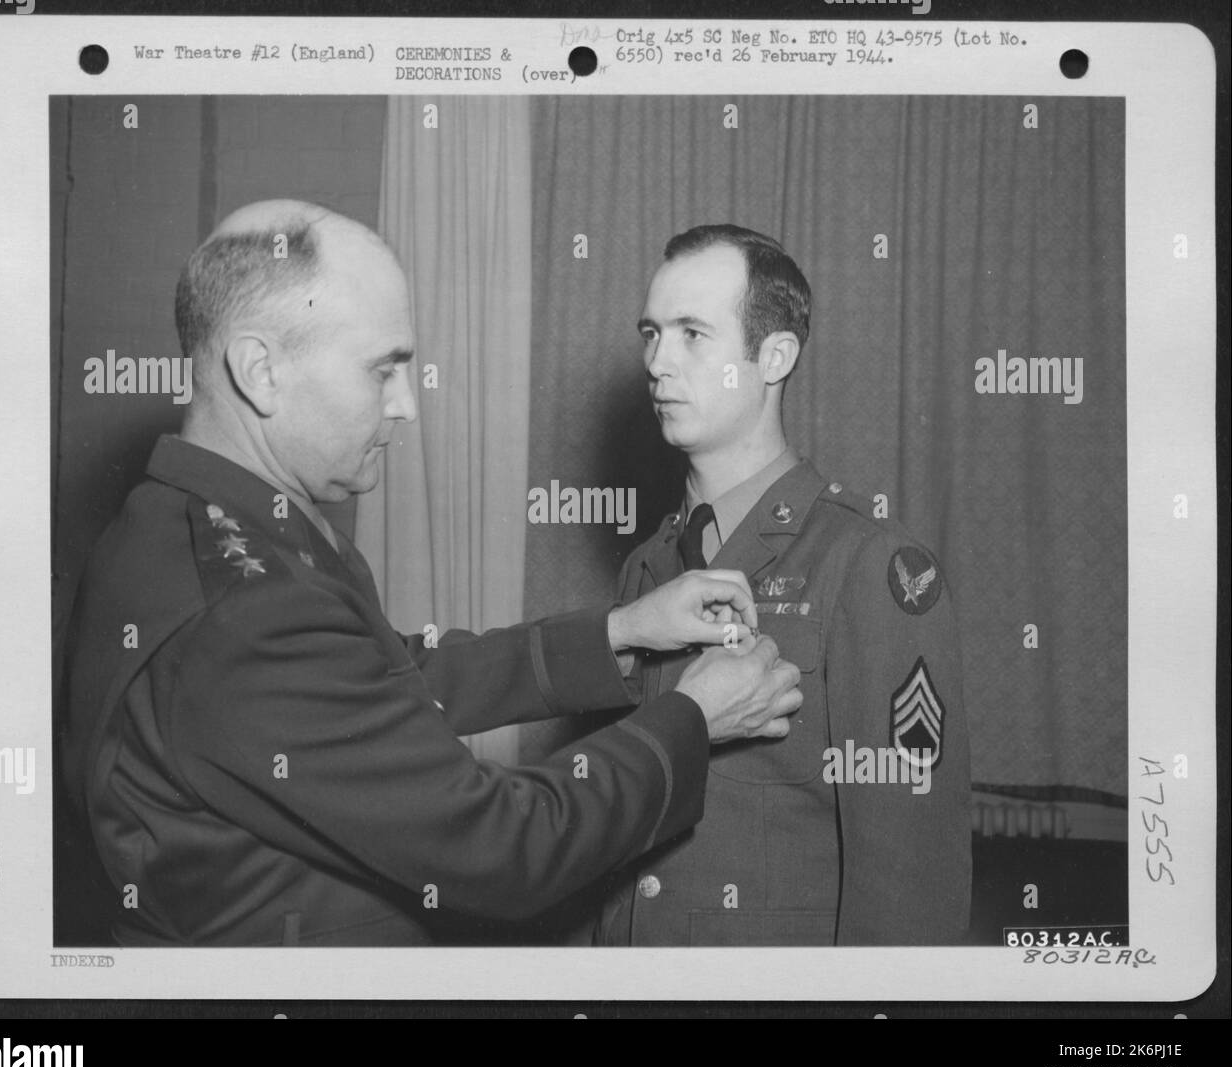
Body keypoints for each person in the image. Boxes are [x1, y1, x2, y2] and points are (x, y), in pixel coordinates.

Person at [60, 201, 804, 947]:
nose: (406, 404)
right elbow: (505, 848)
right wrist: (693, 717)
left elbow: (386, 683)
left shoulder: (188, 527)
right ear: (260, 372)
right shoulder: (247, 607)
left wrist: (620, 632)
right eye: (382, 368)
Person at [594, 225, 972, 946]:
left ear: (773, 356)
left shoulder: (872, 564)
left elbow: (909, 880)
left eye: (692, 334)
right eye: (650, 332)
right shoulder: (648, 567)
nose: (656, 362)